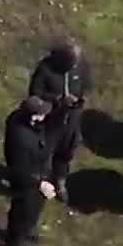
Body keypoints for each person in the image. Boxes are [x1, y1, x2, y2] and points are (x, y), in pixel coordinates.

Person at [28, 39, 93, 204]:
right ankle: (39, 180)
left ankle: (60, 181)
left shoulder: (80, 66)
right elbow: (35, 93)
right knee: (43, 152)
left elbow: (86, 85)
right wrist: (58, 99)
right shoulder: (45, 69)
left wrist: (80, 100)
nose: (73, 67)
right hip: (51, 119)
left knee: (66, 151)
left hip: (71, 119)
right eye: (70, 64)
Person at [3, 96, 56, 246]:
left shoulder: (22, 121)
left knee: (30, 211)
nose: (44, 117)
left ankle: (24, 232)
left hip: (38, 173)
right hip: (28, 182)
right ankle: (17, 244)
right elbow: (19, 170)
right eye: (41, 114)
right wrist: (40, 184)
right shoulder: (21, 139)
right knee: (24, 212)